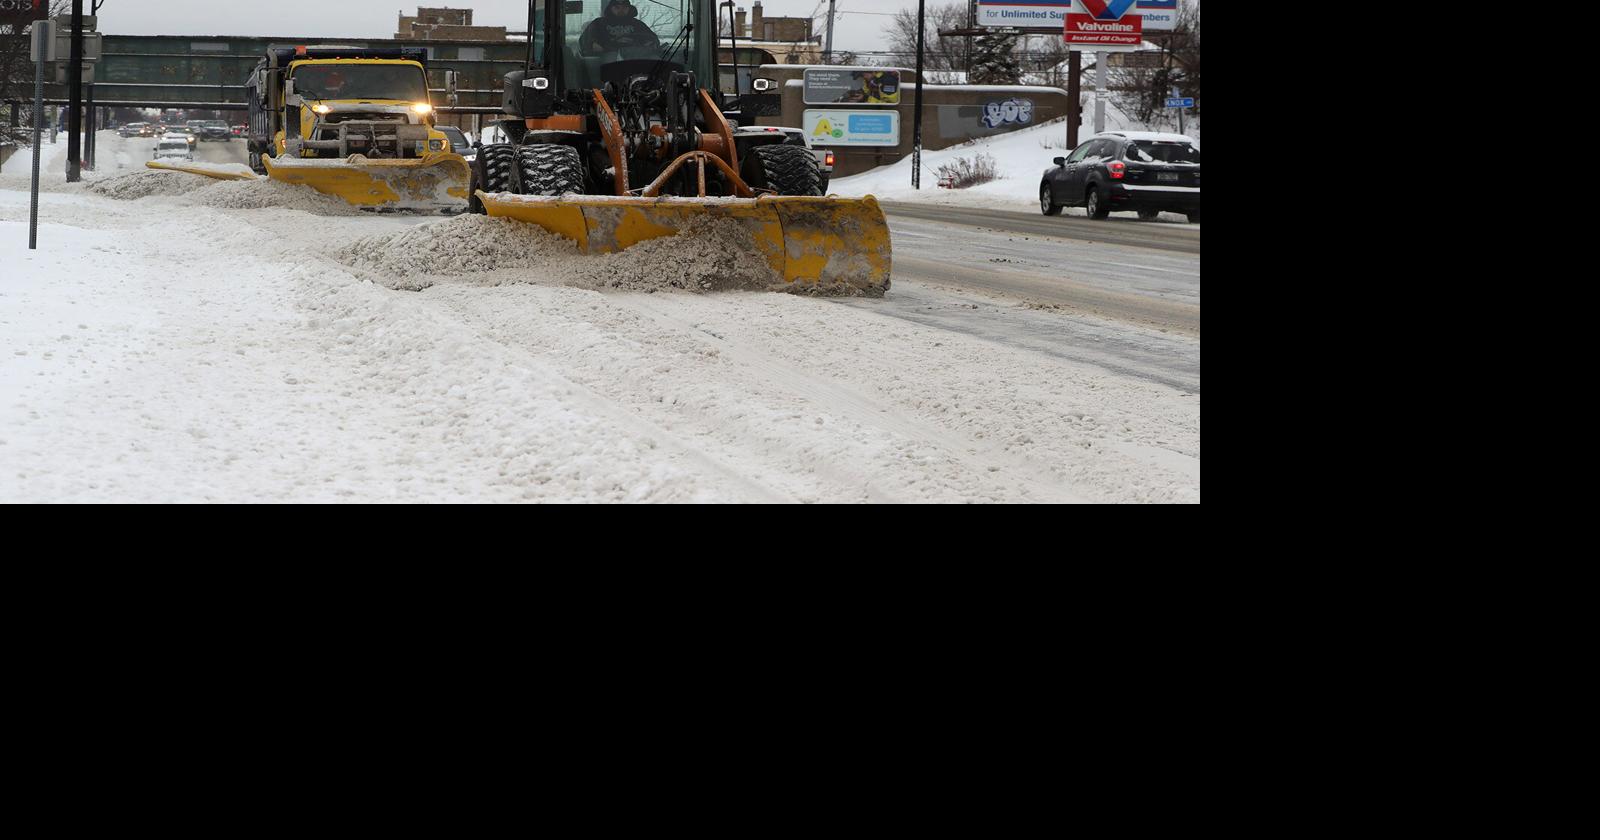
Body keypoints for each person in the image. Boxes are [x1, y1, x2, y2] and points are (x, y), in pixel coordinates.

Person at [578, 0, 661, 56]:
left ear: (629, 8)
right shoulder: (599, 23)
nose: (621, 10)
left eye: (624, 7)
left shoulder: (638, 24)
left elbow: (652, 38)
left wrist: (651, 44)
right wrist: (594, 44)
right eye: (617, 7)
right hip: (610, 56)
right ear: (610, 8)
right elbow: (586, 40)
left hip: (636, 56)